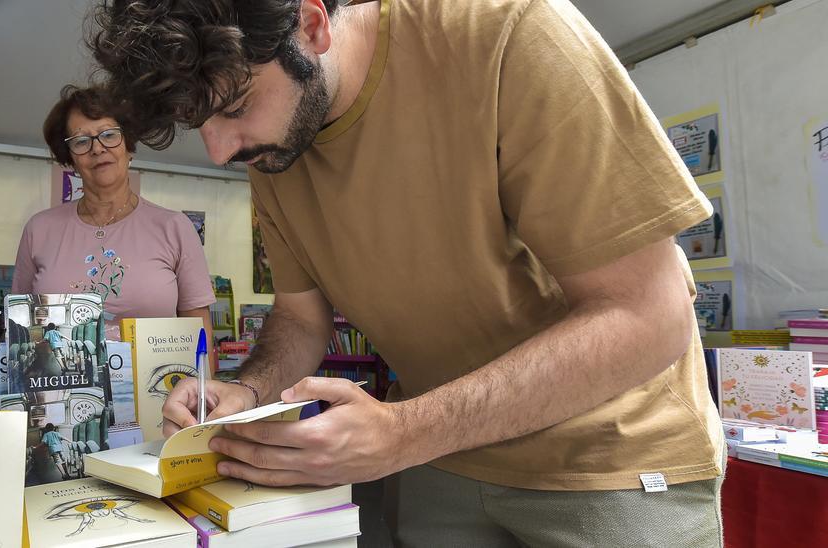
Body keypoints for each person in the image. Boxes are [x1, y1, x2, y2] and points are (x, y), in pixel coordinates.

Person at [89, 1, 724, 545]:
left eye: (234, 106)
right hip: (438, 460)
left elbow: (648, 314)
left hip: (609, 462)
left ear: (312, 24)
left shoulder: (506, 32)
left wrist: (404, 432)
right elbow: (299, 317)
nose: (222, 151)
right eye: (200, 123)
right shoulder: (275, 147)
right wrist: (246, 393)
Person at [13, 85, 215, 339]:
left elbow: (199, 331)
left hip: (157, 379)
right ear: (70, 158)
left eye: (109, 135)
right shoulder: (39, 230)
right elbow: (21, 327)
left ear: (129, 146)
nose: (97, 148)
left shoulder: (175, 227)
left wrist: (206, 379)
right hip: (60, 377)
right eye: (81, 141)